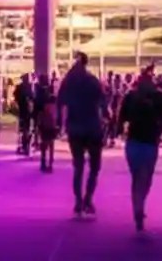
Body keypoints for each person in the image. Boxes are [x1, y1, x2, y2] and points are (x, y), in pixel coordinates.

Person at [117, 66, 162, 231]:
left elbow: (121, 117)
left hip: (133, 142)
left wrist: (119, 130)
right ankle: (139, 206)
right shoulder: (159, 97)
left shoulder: (130, 96)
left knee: (137, 177)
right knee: (146, 178)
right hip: (150, 142)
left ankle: (138, 206)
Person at [58, 52, 106, 214]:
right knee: (95, 167)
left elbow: (60, 103)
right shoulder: (93, 81)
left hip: (75, 127)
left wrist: (61, 124)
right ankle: (88, 198)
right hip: (93, 127)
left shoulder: (69, 82)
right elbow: (103, 104)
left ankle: (78, 201)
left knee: (78, 167)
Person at [33, 73, 57, 171]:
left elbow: (37, 108)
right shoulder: (50, 96)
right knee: (50, 143)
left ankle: (44, 162)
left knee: (45, 142)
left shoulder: (39, 94)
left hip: (44, 120)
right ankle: (50, 163)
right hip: (50, 122)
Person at [14, 73, 34, 156]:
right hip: (26, 110)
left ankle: (24, 144)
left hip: (24, 110)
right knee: (26, 128)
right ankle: (25, 144)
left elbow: (16, 96)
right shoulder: (29, 87)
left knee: (24, 128)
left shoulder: (22, 87)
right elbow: (32, 97)